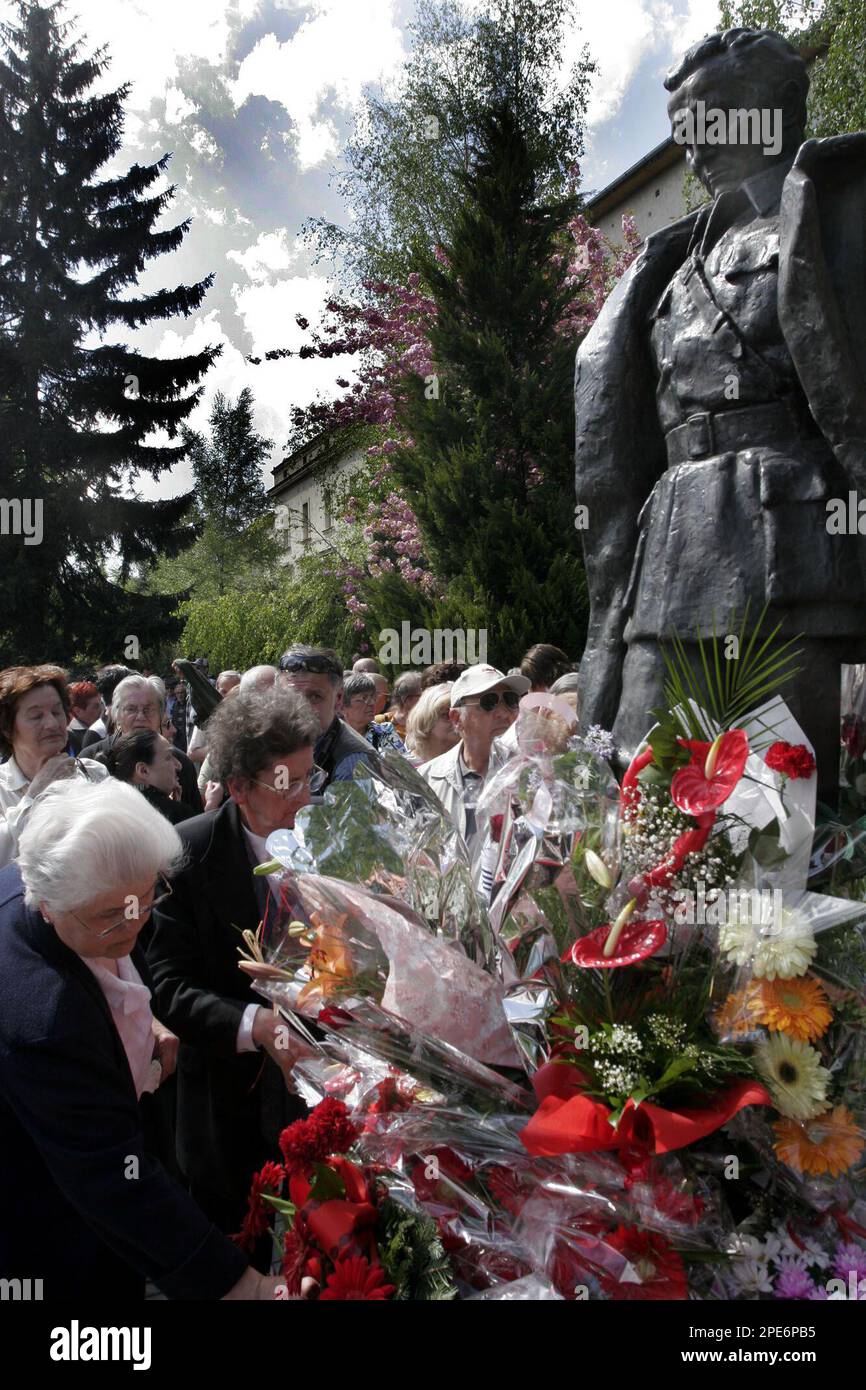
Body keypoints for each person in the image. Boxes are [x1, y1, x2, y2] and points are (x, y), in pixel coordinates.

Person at [0, 779, 282, 1300]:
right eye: (113, 915)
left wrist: (140, 1018)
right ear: (48, 902)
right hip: (49, 1236)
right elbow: (112, 1179)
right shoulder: (46, 1021)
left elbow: (114, 956)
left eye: (148, 897)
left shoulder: (63, 891)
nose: (135, 923)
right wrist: (245, 1285)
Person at [146, 687, 321, 1234]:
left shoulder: (333, 843)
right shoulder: (185, 854)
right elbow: (169, 987)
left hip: (323, 1112)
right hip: (226, 1124)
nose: (304, 797)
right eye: (286, 783)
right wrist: (257, 1025)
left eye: (309, 776)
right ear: (240, 787)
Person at [0, 665, 108, 869]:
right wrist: (34, 796)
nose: (51, 723)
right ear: (7, 728)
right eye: (36, 716)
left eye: (57, 712)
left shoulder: (94, 773)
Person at [418, 664, 529, 847]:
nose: (503, 713)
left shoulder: (530, 776)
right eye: (489, 702)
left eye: (510, 700)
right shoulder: (425, 780)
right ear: (456, 718)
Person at [86, 675, 203, 814]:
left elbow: (194, 824)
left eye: (148, 709)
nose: (140, 716)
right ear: (116, 715)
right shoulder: (91, 760)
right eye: (131, 709)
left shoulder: (179, 764)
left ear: (161, 715)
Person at [277, 645, 373, 790]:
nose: (300, 707)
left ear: (339, 699)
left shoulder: (352, 764)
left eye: (315, 697)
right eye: (291, 695)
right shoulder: (274, 742)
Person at [105, 730, 197, 826]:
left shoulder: (108, 811)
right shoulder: (178, 814)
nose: (178, 765)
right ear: (143, 770)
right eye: (168, 757)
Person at [404, 682, 459, 765]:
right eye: (447, 715)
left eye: (462, 715)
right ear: (424, 720)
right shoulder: (401, 771)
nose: (457, 721)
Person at [375, 670, 422, 742]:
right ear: (406, 698)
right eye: (422, 695)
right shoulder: (379, 723)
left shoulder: (432, 724)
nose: (428, 698)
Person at [66, 680, 103, 754]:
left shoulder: (105, 726)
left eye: (101, 703)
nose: (101, 709)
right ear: (78, 711)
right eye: (95, 706)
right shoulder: (70, 736)